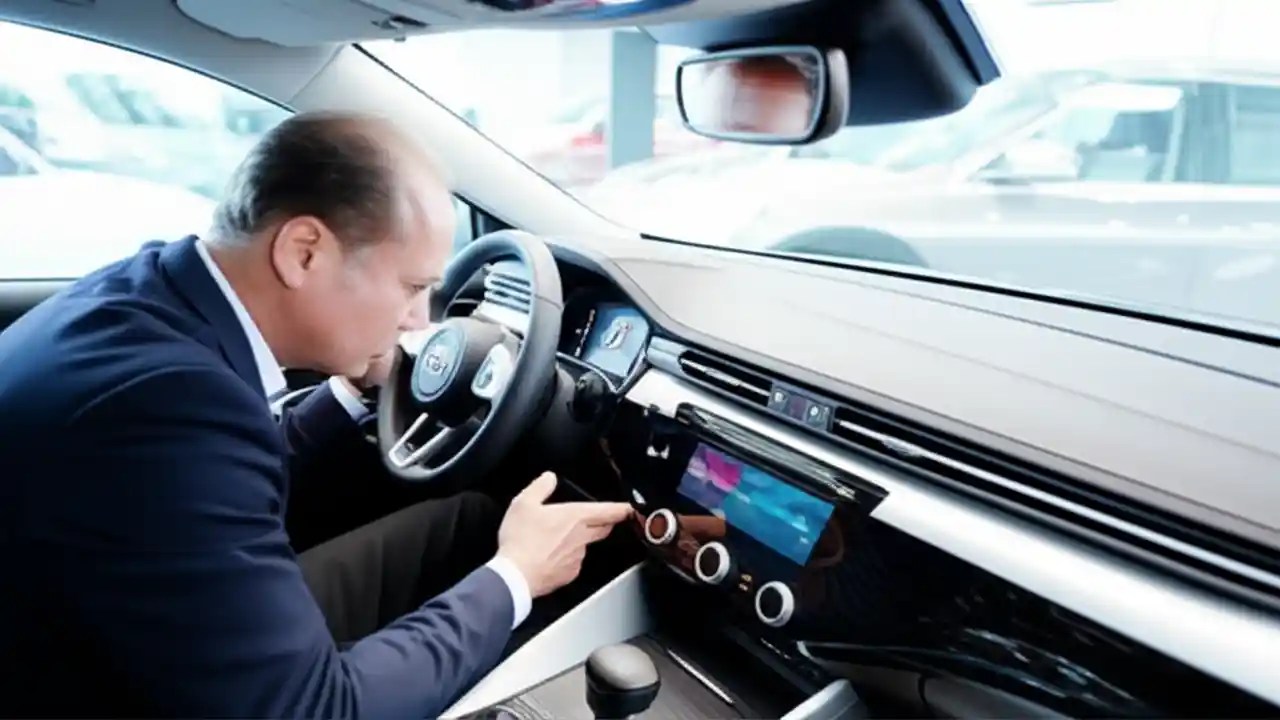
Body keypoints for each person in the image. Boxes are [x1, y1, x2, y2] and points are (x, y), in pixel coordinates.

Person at [0, 111, 633, 718]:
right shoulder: (175, 410)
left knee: (468, 522)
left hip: (107, 633)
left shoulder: (143, 296)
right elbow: (317, 709)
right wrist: (517, 577)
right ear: (304, 251)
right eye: (413, 288)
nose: (422, 322)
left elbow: (217, 487)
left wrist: (354, 392)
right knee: (495, 573)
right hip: (101, 693)